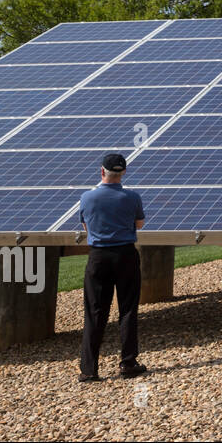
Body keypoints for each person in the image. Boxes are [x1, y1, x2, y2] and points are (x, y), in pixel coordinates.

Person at [77, 153, 148, 383]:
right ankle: (128, 362)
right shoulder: (132, 197)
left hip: (98, 257)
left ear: (101, 172)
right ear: (123, 173)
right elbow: (139, 224)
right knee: (127, 309)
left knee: (95, 312)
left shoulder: (87, 197)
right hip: (126, 254)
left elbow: (86, 225)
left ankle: (89, 370)